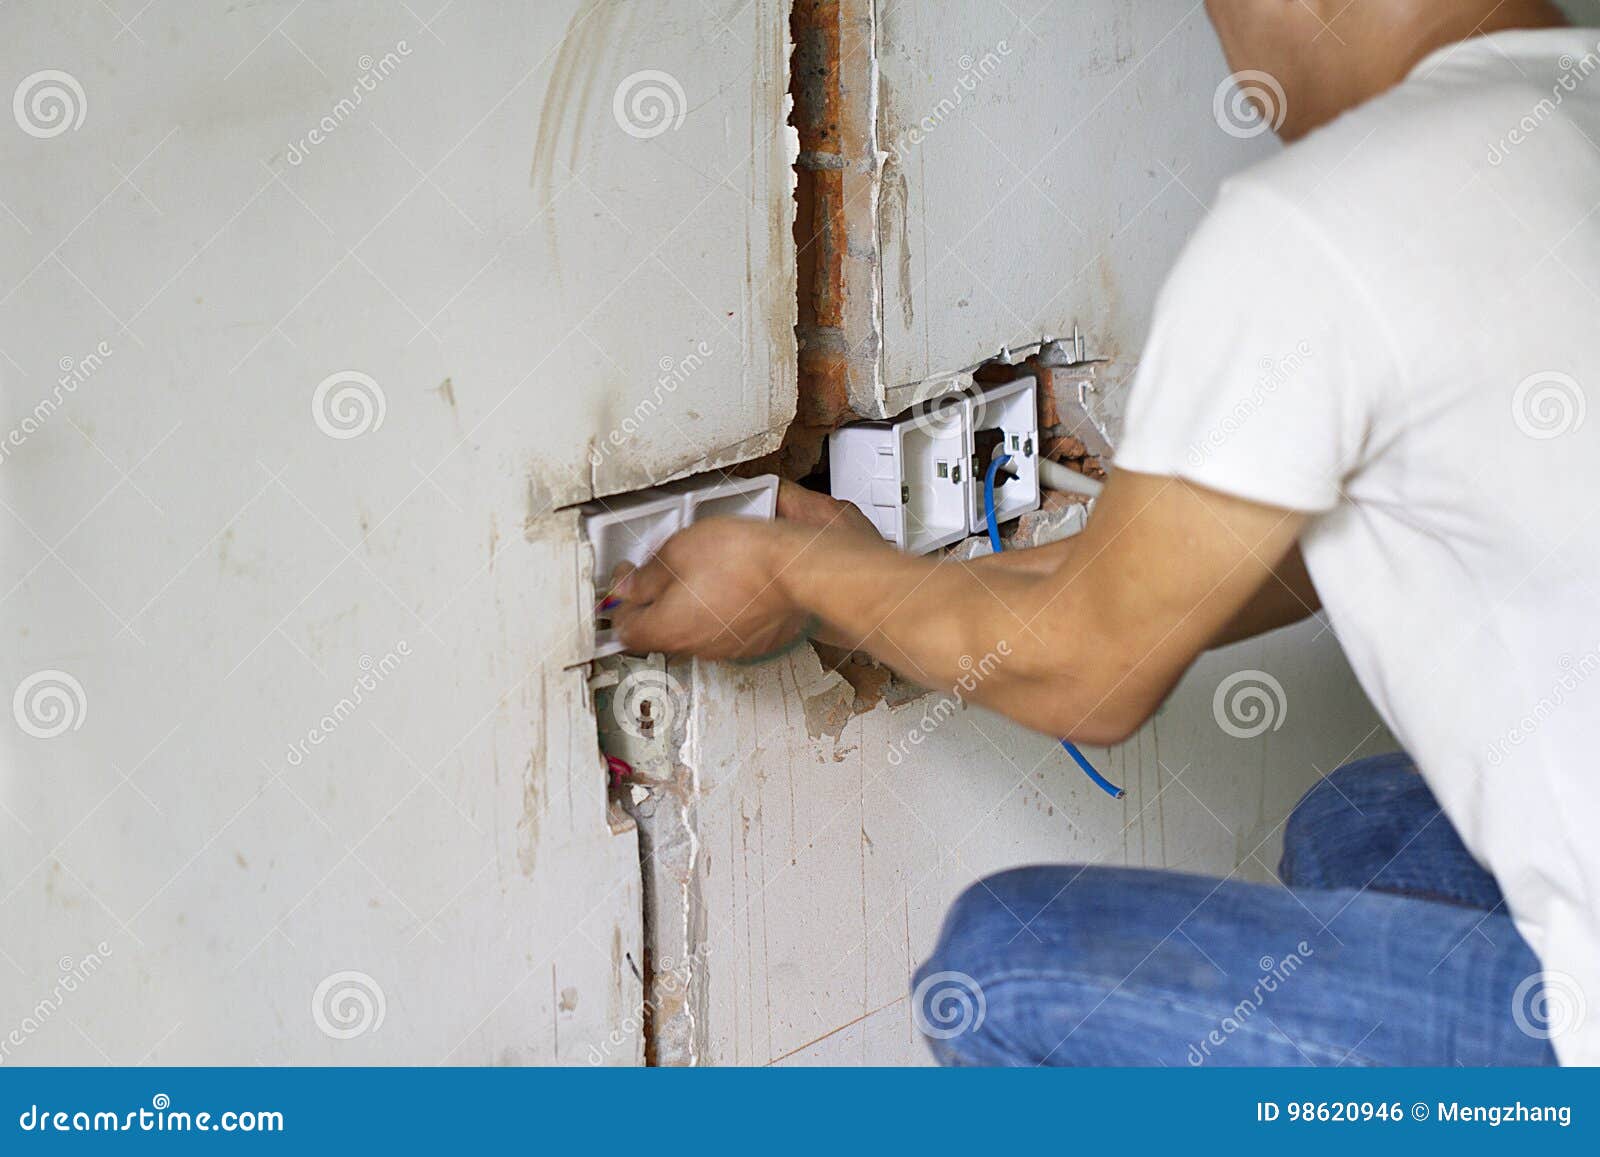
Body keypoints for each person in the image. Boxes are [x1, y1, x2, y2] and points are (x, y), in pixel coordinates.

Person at [611, 0, 1599, 1065]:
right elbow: (1260, 565)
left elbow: (1095, 668)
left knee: (1002, 968)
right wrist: (878, 578)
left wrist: (797, 566)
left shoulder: (1330, 221)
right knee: (1361, 823)